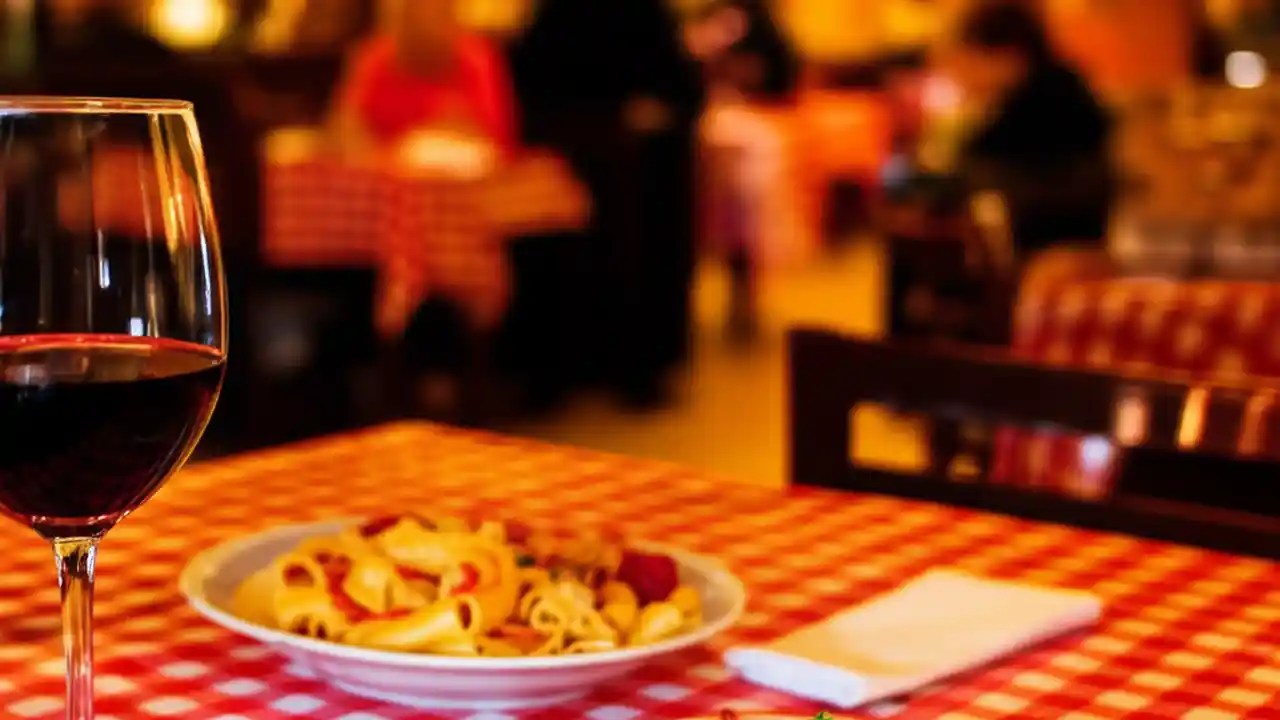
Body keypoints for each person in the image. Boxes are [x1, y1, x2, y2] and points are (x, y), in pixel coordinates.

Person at [510, 0, 705, 406]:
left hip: (605, 161)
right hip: (597, 162)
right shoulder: (634, 15)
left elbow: (679, 91)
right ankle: (629, 370)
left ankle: (574, 369)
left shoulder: (560, 14)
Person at [946, 0, 1114, 255]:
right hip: (1074, 248)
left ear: (1006, 57)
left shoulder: (1040, 107)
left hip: (1055, 256)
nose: (963, 74)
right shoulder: (1059, 89)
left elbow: (972, 169)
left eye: (972, 60)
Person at [329, 0, 516, 159]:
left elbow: (496, 141)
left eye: (438, 11)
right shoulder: (374, 58)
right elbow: (345, 128)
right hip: (383, 183)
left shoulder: (475, 59)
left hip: (454, 188)